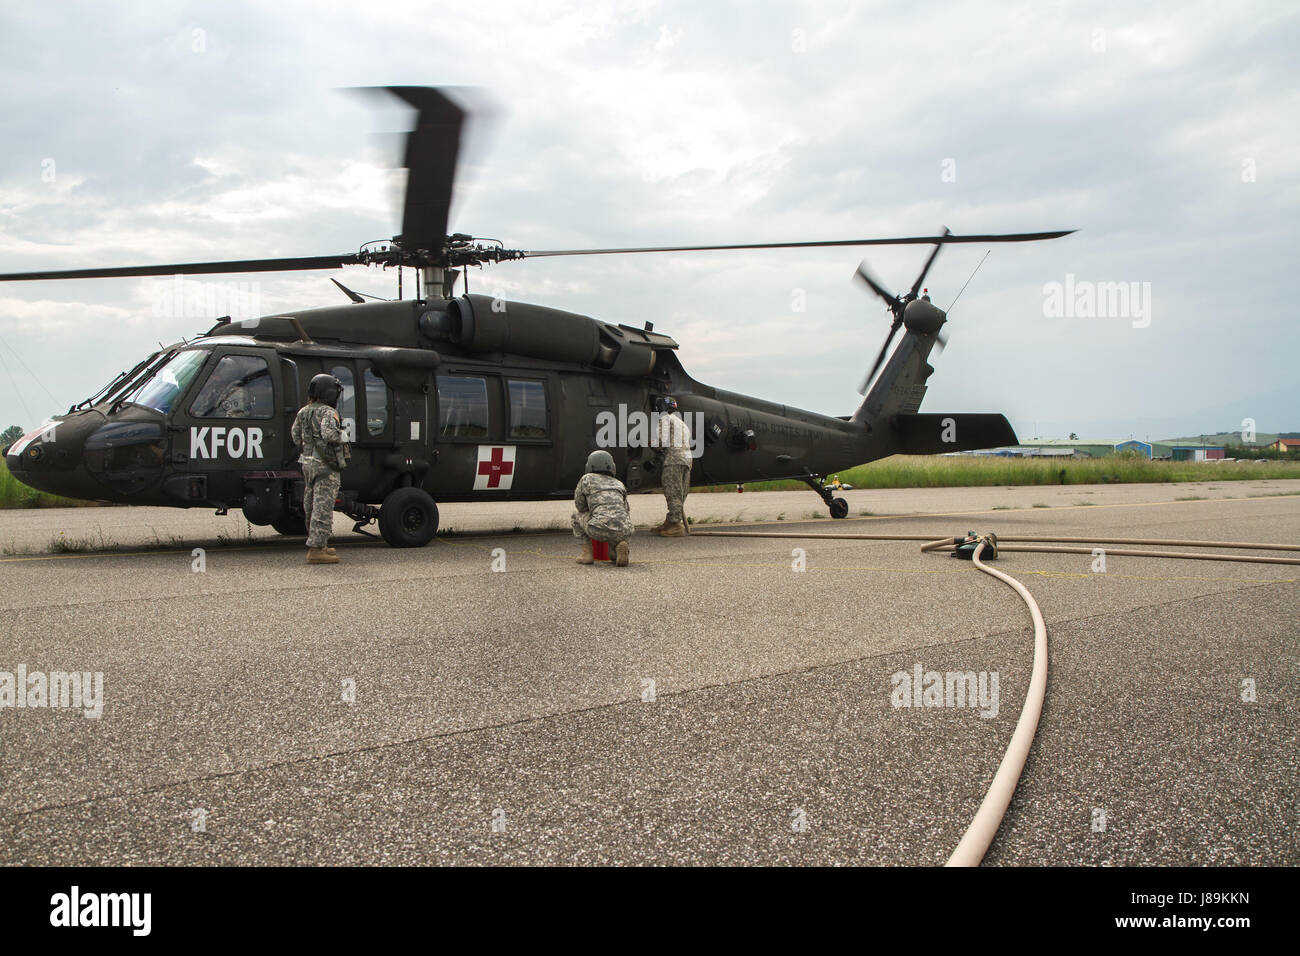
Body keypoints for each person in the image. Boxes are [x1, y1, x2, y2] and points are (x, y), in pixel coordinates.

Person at [291, 373, 351, 564]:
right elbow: (329, 434)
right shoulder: (328, 412)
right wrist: (343, 435)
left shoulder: (303, 412)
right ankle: (316, 550)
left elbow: (295, 436)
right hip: (326, 466)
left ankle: (319, 544)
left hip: (307, 464)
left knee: (309, 504)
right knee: (323, 507)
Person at [572, 450, 633, 566]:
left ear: (589, 466)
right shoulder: (619, 483)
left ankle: (587, 555)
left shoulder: (586, 479)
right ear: (612, 467)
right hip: (625, 531)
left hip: (599, 528)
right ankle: (617, 550)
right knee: (615, 525)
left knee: (575, 517)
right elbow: (626, 509)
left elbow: (580, 506)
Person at [652, 396, 692, 536]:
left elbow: (661, 442)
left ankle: (675, 526)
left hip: (674, 459)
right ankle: (670, 521)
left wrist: (652, 444)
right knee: (680, 493)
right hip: (687, 459)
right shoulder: (682, 423)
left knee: (672, 492)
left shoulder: (665, 420)